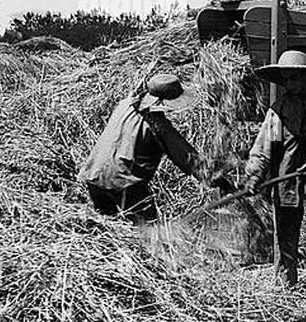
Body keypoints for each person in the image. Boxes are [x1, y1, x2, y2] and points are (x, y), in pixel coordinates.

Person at [243, 49, 306, 288]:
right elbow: (264, 146)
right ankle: (285, 285)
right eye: (286, 79)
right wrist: (254, 175)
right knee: (285, 236)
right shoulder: (279, 110)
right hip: (286, 183)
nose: (289, 83)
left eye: (294, 78)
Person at [79, 73, 229, 223]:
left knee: (109, 226)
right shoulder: (157, 125)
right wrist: (219, 180)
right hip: (123, 184)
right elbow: (188, 159)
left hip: (94, 176)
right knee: (149, 230)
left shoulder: (125, 104)